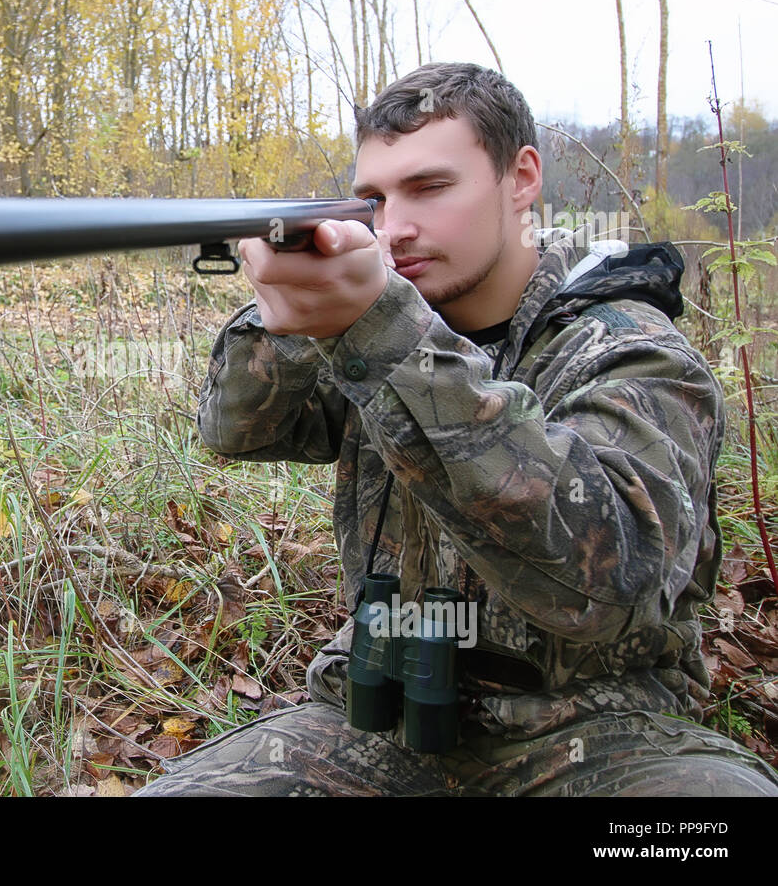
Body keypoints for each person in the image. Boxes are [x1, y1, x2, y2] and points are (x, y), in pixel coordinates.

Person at [136, 62, 778, 796]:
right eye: (374, 198)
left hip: (598, 735)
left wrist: (384, 333)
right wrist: (291, 302)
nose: (398, 225)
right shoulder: (380, 317)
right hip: (377, 714)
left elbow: (610, 585)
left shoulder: (630, 348)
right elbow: (238, 430)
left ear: (521, 178)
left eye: (431, 187)